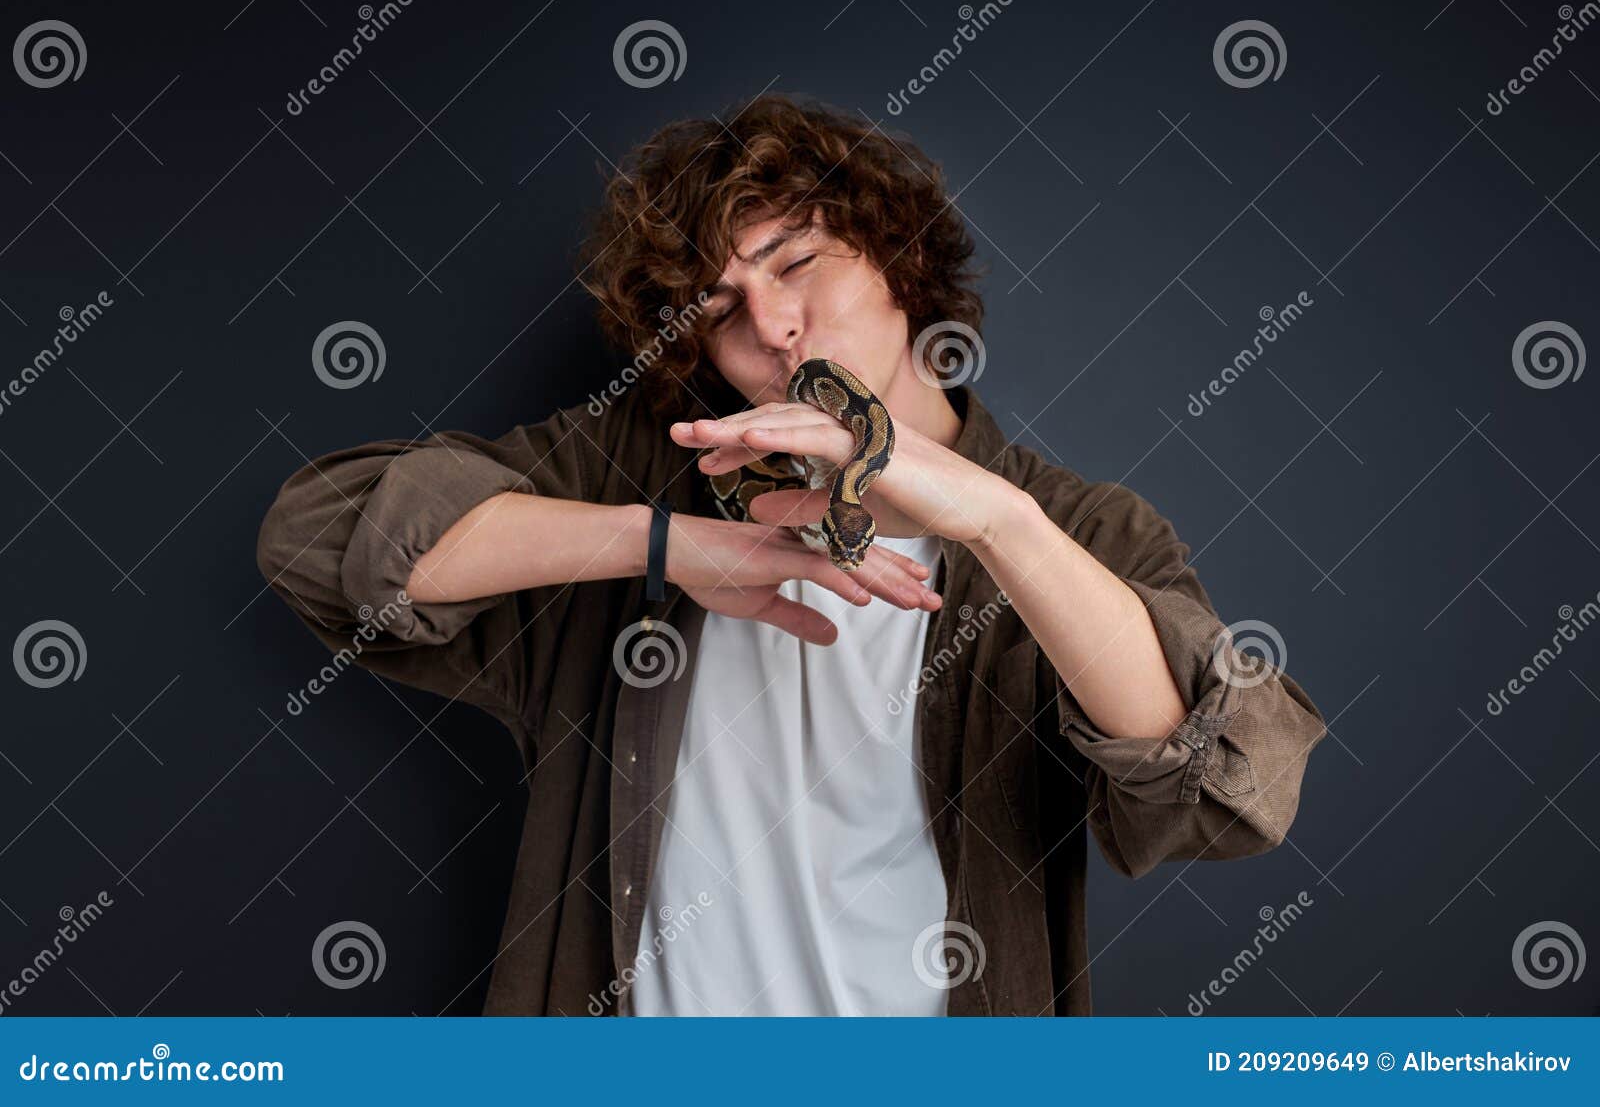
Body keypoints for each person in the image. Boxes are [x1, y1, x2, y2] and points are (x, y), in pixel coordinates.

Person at [255, 93, 1326, 1016]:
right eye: (718, 307)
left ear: (902, 259)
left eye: (797, 262)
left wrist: (995, 521)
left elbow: (1228, 788)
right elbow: (320, 539)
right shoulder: (635, 466)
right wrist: (665, 542)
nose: (771, 323)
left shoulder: (1074, 527)